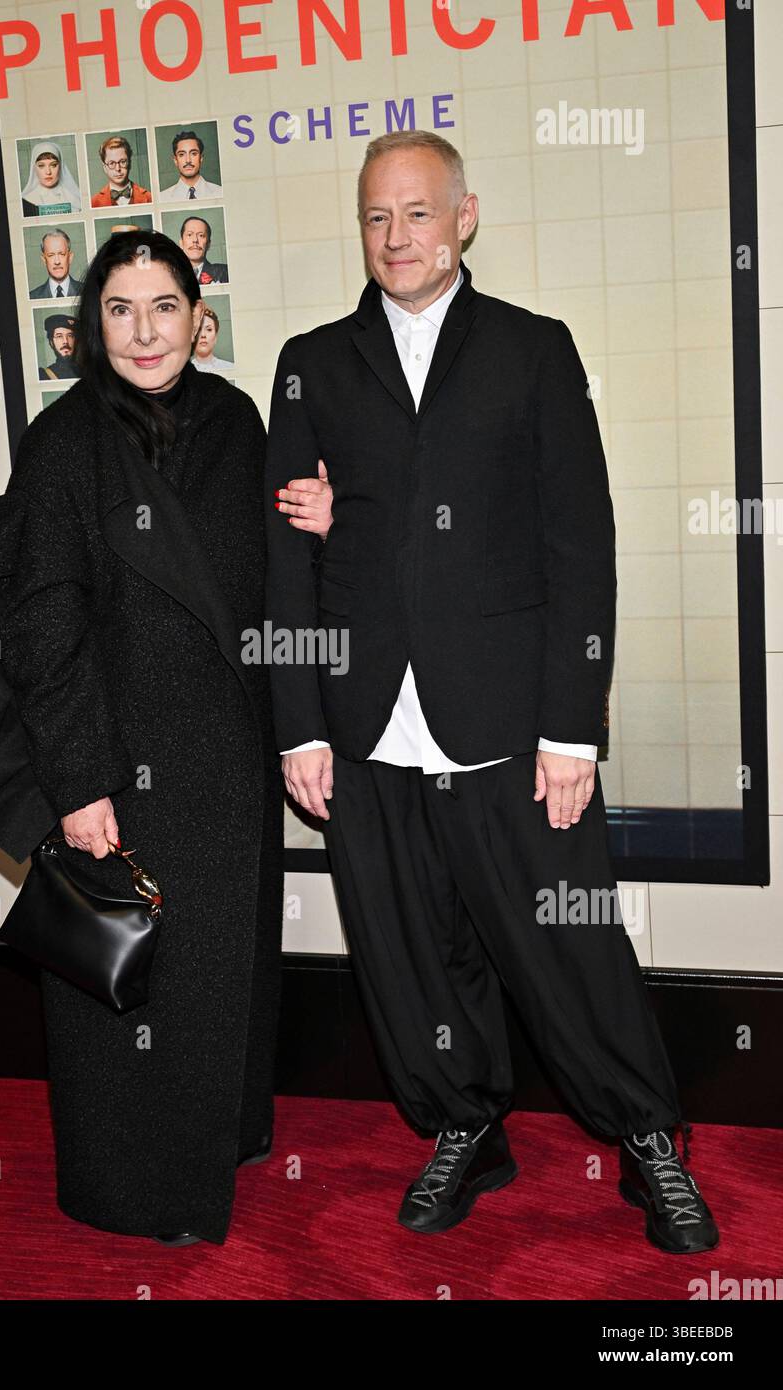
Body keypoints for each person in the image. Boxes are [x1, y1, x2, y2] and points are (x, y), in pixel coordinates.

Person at [265, 129, 719, 1256]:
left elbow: (583, 546)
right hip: (365, 724)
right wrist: (297, 726)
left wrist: (573, 723)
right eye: (375, 216)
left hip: (515, 723)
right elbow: (288, 557)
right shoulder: (310, 362)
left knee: (568, 947)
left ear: (464, 217)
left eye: (417, 213)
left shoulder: (532, 350)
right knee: (413, 948)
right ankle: (467, 1123)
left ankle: (647, 1135)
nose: (395, 236)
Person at [0, 230, 328, 1245]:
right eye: (121, 310)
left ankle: (220, 1135)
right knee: (132, 982)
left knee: (223, 967)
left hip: (226, 746)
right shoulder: (61, 442)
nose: (144, 331)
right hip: (118, 758)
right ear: (92, 326)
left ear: (197, 315)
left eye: (163, 306)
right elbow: (44, 622)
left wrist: (323, 522)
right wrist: (80, 784)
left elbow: (270, 580)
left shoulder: (235, 418)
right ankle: (141, 1187)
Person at [21, 140, 82, 217]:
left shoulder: (74, 198)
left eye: (53, 165)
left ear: (60, 167)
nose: (48, 172)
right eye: (41, 166)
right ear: (34, 168)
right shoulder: (27, 200)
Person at [158, 130, 223, 201]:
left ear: (201, 158)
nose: (188, 160)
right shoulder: (162, 198)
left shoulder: (221, 193)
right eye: (181, 154)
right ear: (175, 160)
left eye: (193, 153)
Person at [89, 136, 151, 208]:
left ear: (129, 163)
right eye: (112, 163)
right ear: (104, 167)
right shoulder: (94, 203)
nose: (118, 168)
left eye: (122, 162)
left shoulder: (149, 197)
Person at [28, 229, 83, 300]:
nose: (57, 262)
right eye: (51, 255)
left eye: (62, 254)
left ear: (70, 257)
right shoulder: (32, 297)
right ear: (44, 260)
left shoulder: (87, 291)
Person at [192, 305, 234, 373]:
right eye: (198, 330)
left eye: (209, 329)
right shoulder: (181, 373)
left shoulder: (229, 367)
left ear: (216, 336)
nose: (203, 335)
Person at [37, 314, 79, 380]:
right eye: (59, 336)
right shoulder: (44, 375)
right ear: (51, 343)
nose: (65, 341)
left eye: (70, 336)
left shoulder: (88, 371)